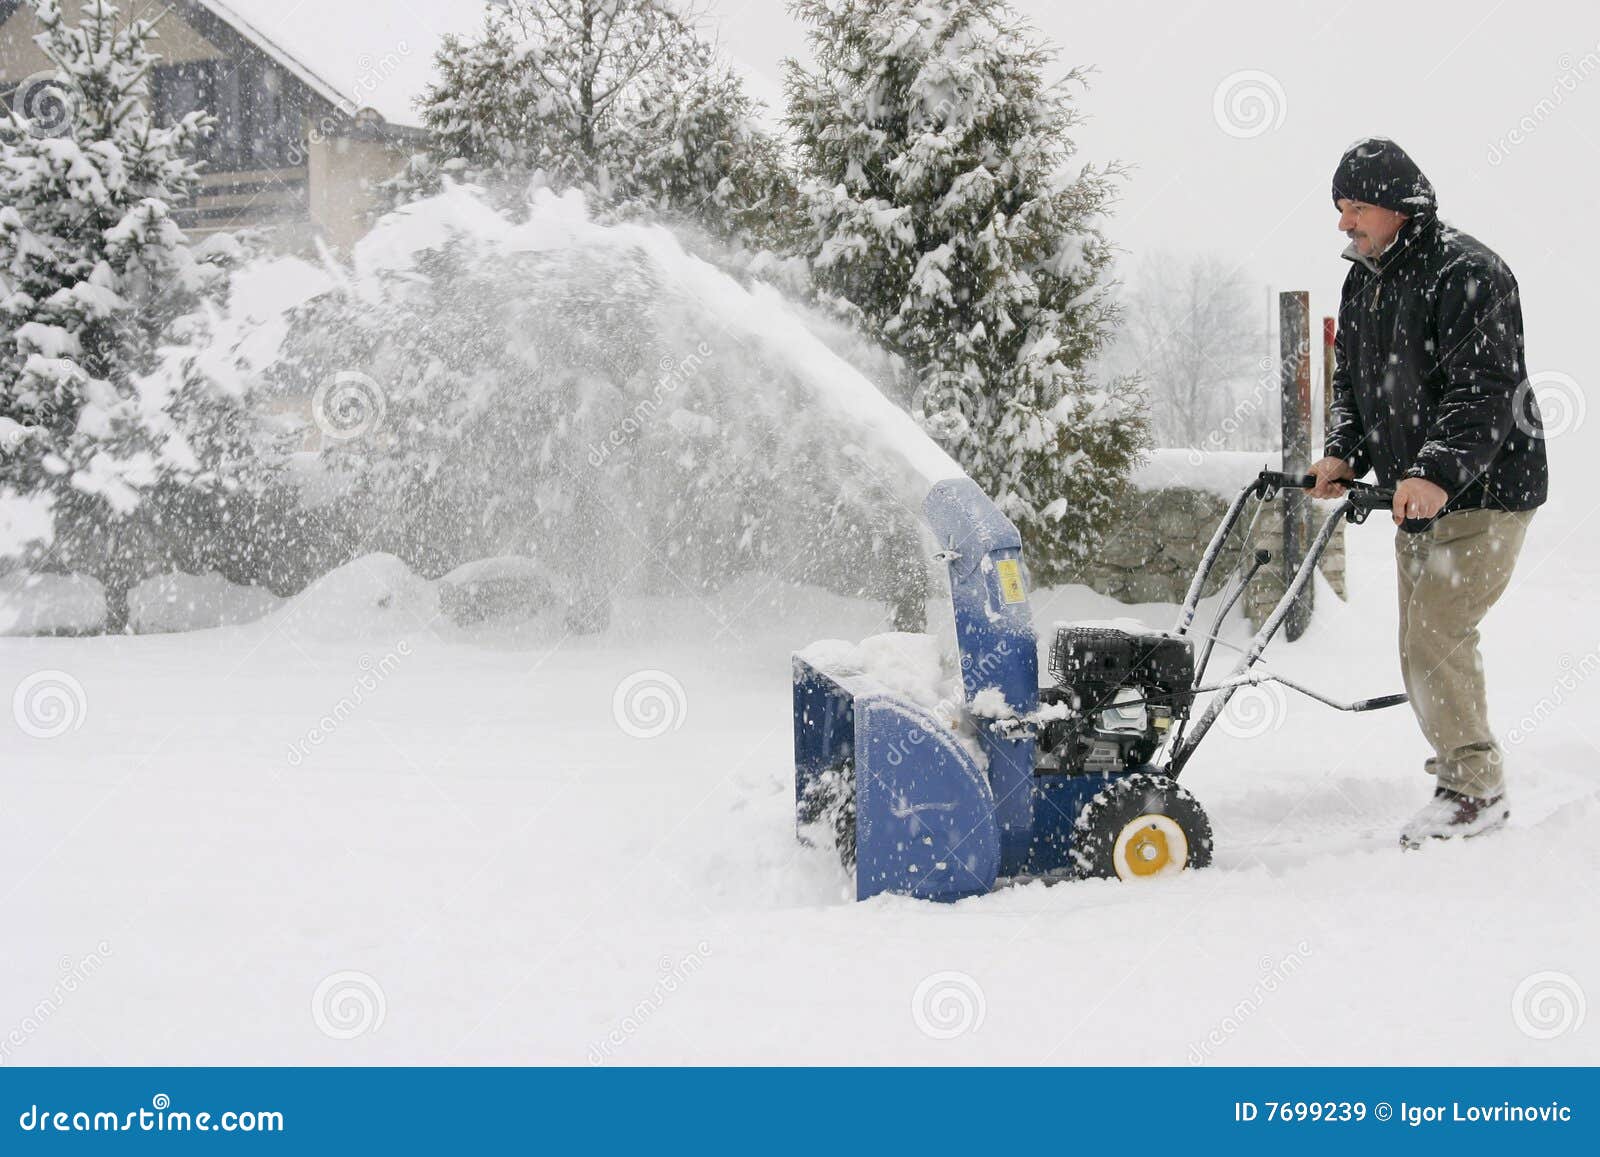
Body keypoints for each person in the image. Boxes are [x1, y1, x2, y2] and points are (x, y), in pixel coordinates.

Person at [1307, 137, 1547, 848]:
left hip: (1485, 491)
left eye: (1355, 209)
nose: (1344, 223)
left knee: (1436, 631)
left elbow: (1484, 390)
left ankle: (1475, 791)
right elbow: (1349, 381)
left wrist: (1437, 471)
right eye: (1340, 209)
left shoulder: (1470, 273)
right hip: (1416, 496)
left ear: (1396, 207)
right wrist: (1343, 452)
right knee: (1418, 642)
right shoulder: (1365, 281)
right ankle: (1460, 775)